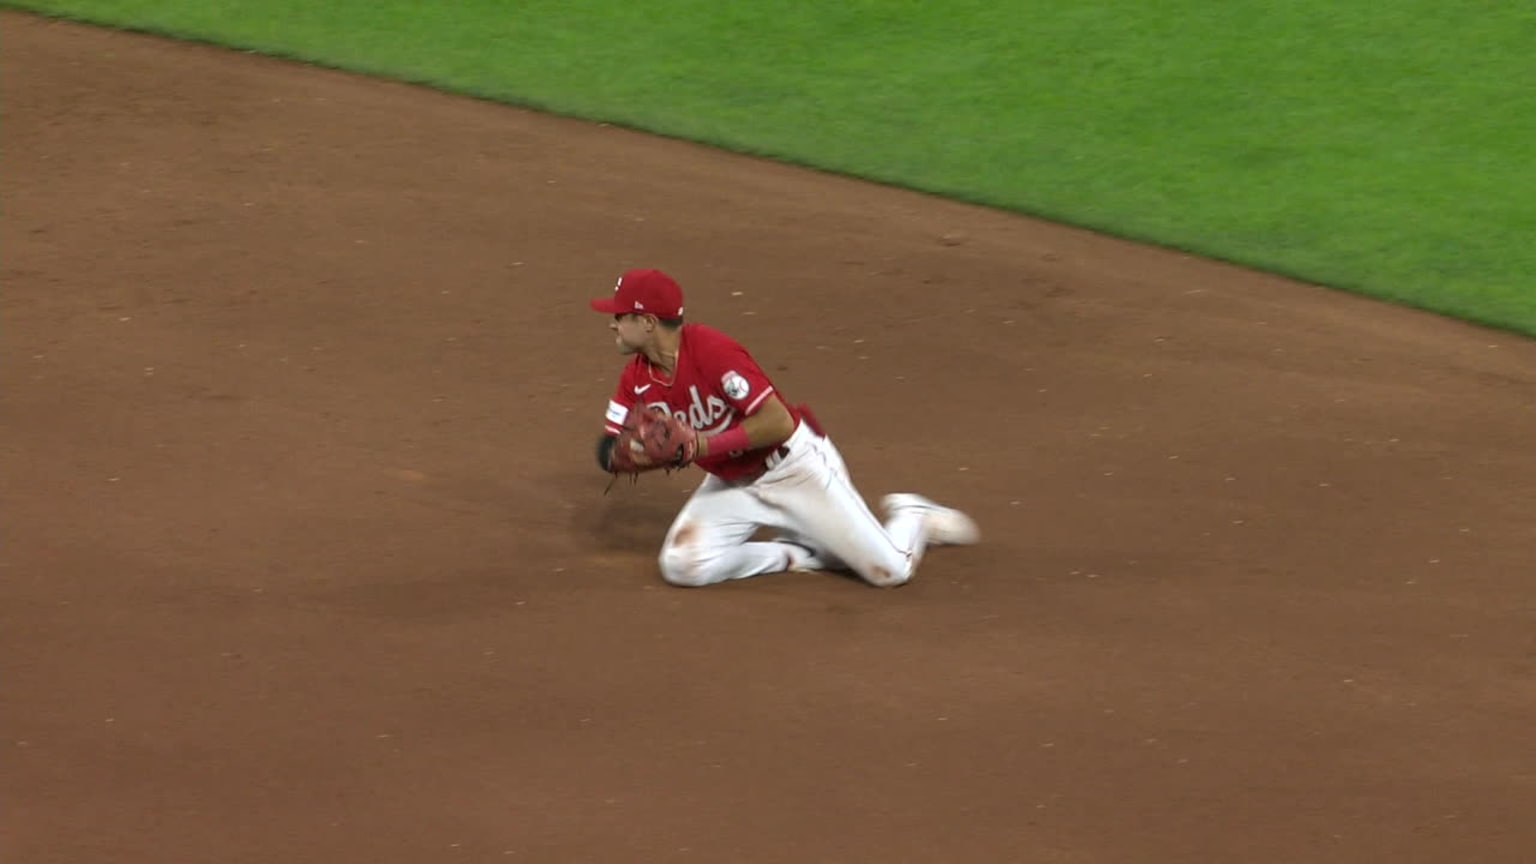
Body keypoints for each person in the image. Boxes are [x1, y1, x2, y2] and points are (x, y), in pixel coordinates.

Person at [590, 268, 979, 588]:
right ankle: (802, 553)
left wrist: (699, 447)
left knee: (891, 571)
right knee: (682, 565)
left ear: (647, 322)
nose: (613, 325)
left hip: (794, 469)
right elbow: (608, 447)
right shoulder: (635, 379)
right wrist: (634, 456)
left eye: (619, 317)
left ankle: (914, 515)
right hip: (734, 483)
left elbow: (777, 422)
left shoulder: (711, 350)